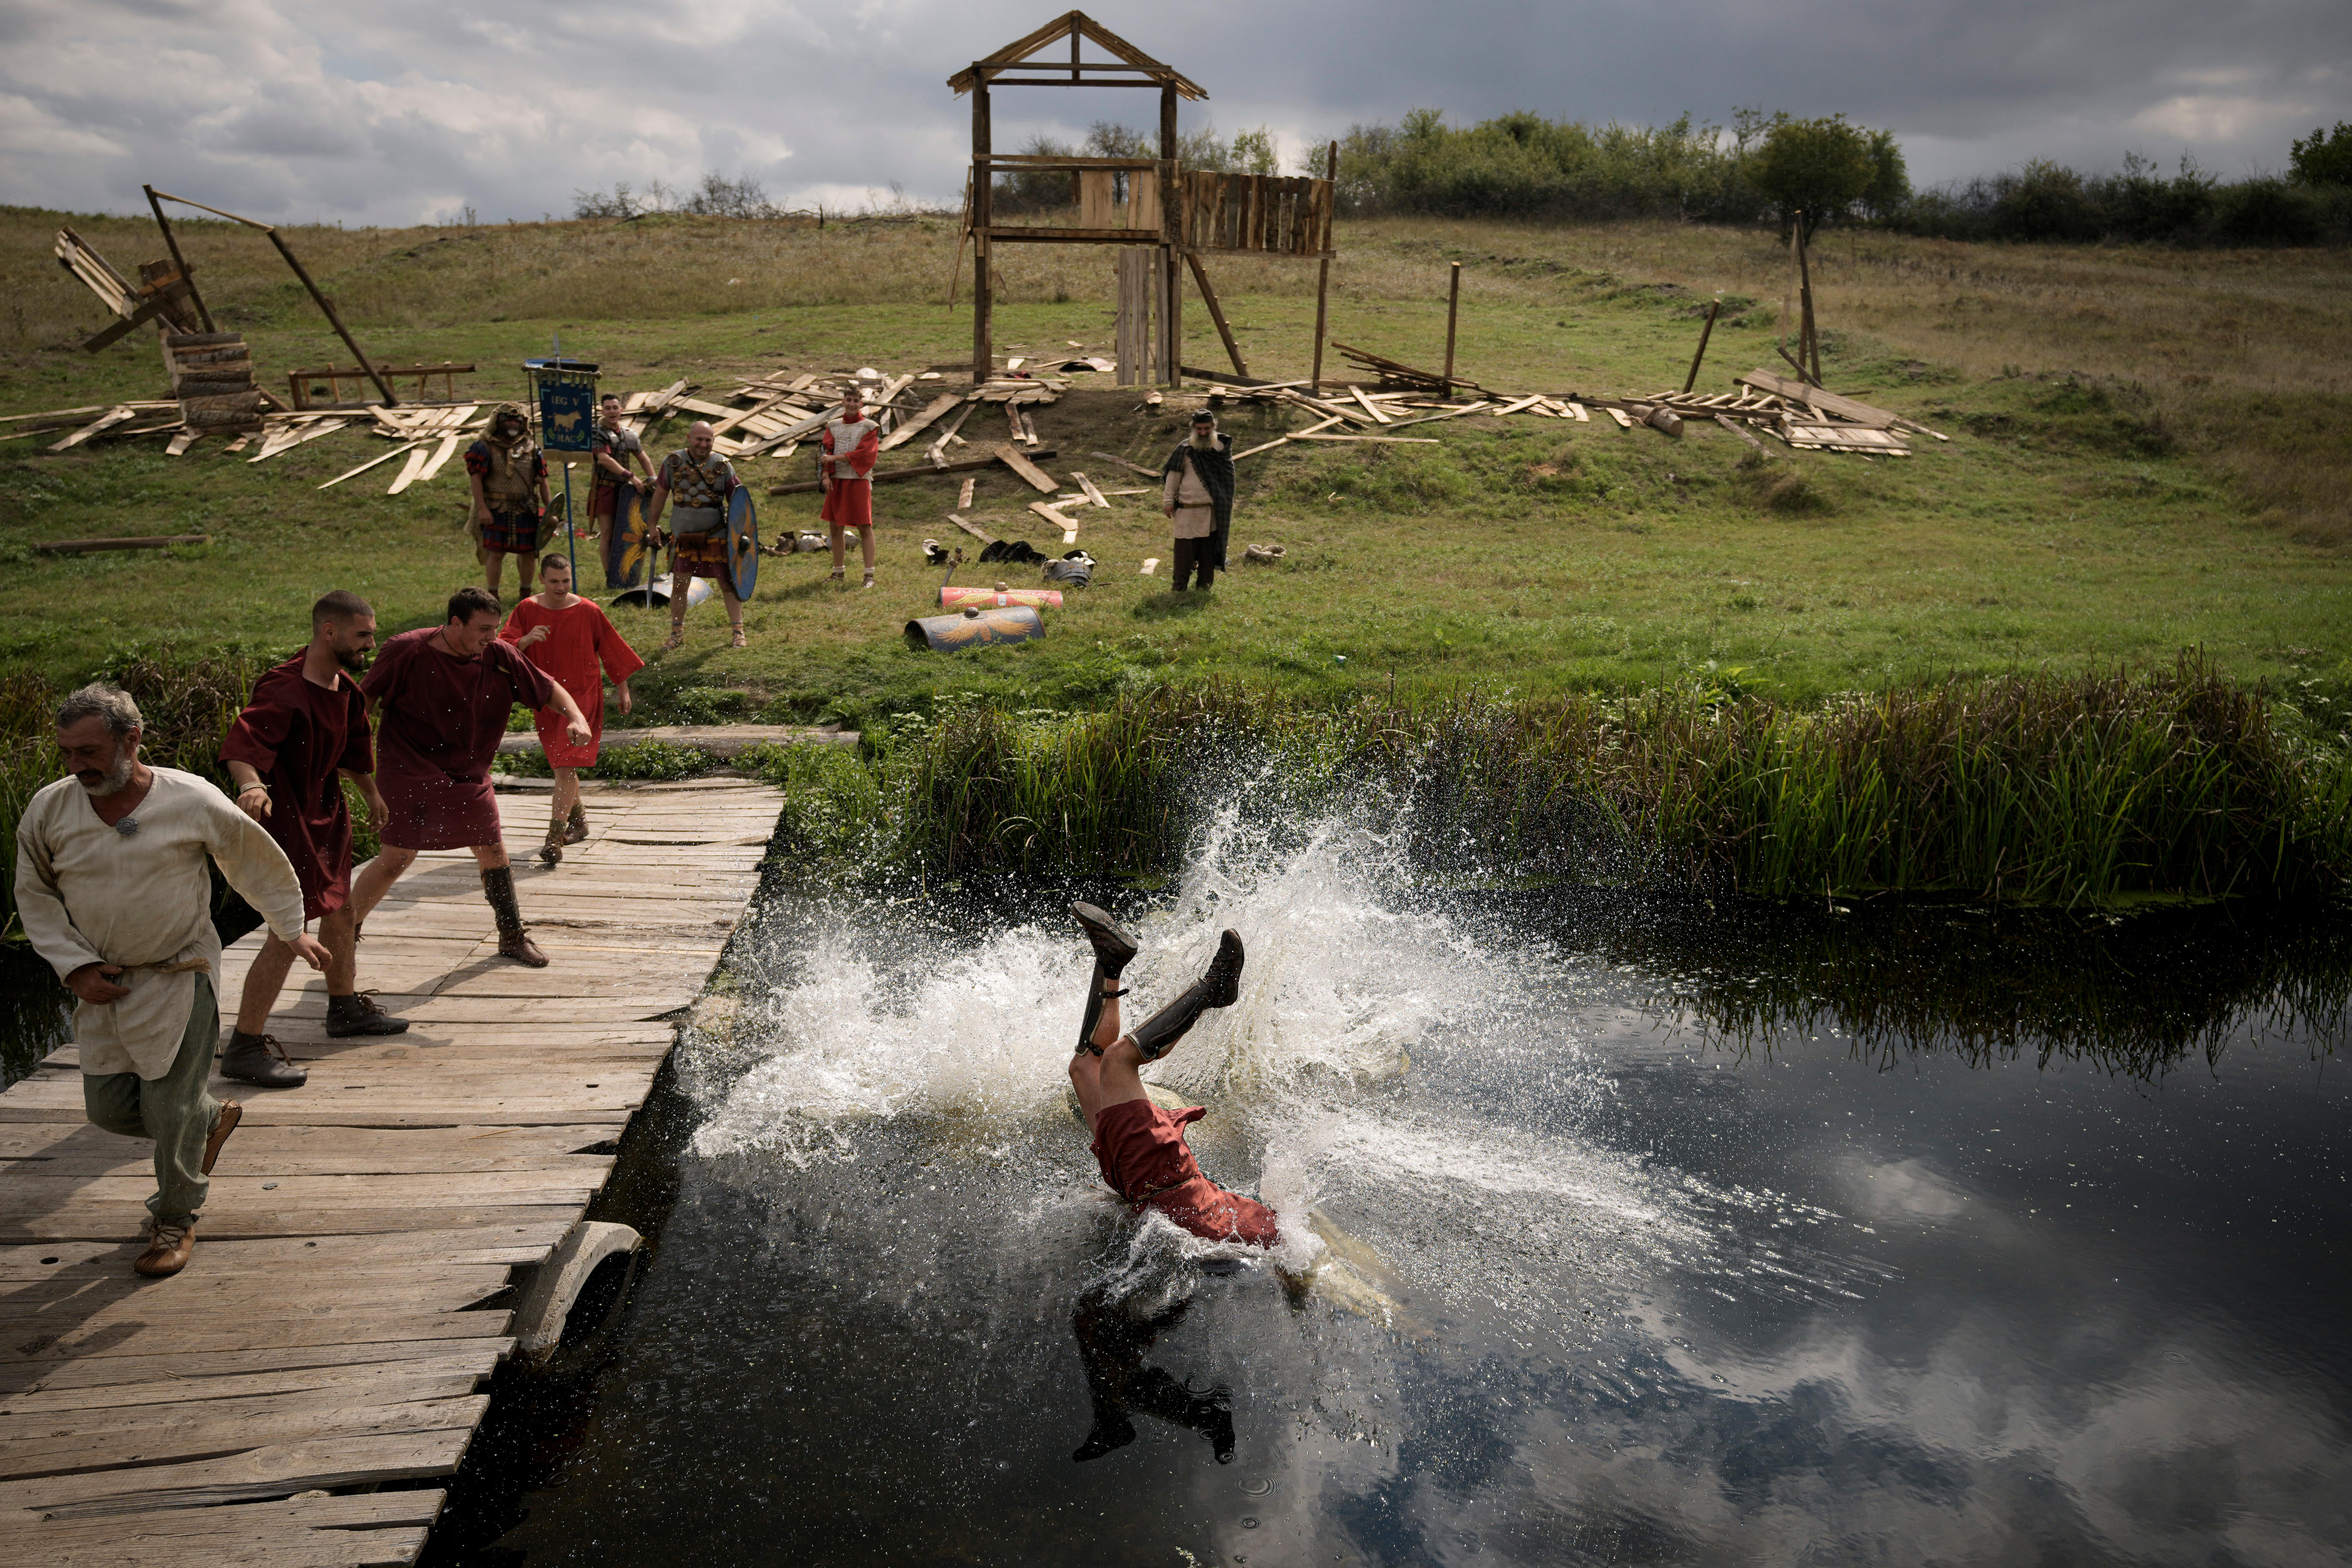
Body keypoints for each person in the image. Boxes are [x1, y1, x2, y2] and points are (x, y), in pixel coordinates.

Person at [16, 684, 327, 1277]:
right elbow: (35, 895)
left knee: (170, 1106)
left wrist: (291, 929)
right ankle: (205, 1120)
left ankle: (175, 1217)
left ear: (131, 740)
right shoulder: (50, 809)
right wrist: (74, 966)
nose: (76, 766)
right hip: (101, 980)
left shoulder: (189, 798)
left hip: (179, 973)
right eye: (67, 753)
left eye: (89, 752)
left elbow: (252, 858)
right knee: (110, 1110)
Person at [218, 589, 405, 1090]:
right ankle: (244, 1046)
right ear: (329, 631)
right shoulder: (283, 688)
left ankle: (343, 1008)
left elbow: (352, 752)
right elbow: (243, 747)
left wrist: (371, 794)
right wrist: (251, 786)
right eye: (362, 635)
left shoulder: (346, 689)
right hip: (288, 820)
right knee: (288, 929)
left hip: (328, 813)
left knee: (341, 909)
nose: (370, 644)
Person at [350, 586, 594, 968]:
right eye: (483, 628)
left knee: (492, 849)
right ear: (455, 623)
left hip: (469, 769)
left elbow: (548, 688)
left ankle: (511, 936)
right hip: (408, 765)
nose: (491, 636)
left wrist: (576, 717)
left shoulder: (498, 654)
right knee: (398, 856)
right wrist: (350, 753)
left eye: (495, 628)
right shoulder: (406, 650)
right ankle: (345, 928)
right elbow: (361, 704)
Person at [1064, 903, 1277, 1249]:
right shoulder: (1273, 1231)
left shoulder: (1266, 1234)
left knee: (1086, 1066)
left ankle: (1112, 963)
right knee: (1117, 1060)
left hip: (1148, 1183)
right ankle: (1212, 989)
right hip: (1160, 1180)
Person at [500, 553, 646, 865]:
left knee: (565, 767)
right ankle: (579, 822)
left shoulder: (589, 610)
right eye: (554, 581)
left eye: (566, 581)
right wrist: (525, 640)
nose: (561, 587)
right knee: (562, 767)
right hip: (546, 697)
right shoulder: (526, 609)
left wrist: (623, 688)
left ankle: (554, 838)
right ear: (541, 579)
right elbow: (502, 649)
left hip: (584, 698)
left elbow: (611, 647)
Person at [646, 421, 745, 649]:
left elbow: (739, 500)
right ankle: (676, 634)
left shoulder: (723, 465)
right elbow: (660, 494)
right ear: (689, 438)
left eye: (708, 440)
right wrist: (652, 526)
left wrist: (740, 532)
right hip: (684, 538)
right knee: (680, 586)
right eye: (699, 439)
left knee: (728, 584)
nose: (703, 444)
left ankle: (738, 632)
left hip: (716, 536)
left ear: (713, 441)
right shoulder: (672, 462)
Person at [465, 402, 553, 602]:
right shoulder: (484, 447)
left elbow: (542, 481)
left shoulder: (532, 449)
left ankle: (525, 594)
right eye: (508, 420)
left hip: (526, 509)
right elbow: (476, 480)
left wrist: (550, 511)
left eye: (517, 421)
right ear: (498, 422)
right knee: (495, 554)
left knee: (529, 553)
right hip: (497, 509)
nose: (513, 424)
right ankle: (493, 595)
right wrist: (482, 509)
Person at [1160, 409, 1235, 592]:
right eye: (1199, 429)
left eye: (1207, 429)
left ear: (1213, 427)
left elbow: (1227, 479)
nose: (1203, 433)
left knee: (1208, 555)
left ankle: (1204, 588)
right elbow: (1172, 479)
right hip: (1187, 511)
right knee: (1184, 555)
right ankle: (1179, 589)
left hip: (1211, 512)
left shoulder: (1221, 448)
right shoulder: (1185, 449)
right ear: (1194, 428)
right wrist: (1168, 502)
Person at [819, 384, 881, 589]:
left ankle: (869, 575)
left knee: (864, 527)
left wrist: (835, 458)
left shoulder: (870, 427)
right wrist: (825, 475)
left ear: (861, 403)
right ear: (843, 402)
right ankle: (838, 572)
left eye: (856, 401)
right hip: (836, 481)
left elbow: (865, 454)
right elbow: (826, 451)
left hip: (858, 480)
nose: (852, 404)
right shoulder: (833, 425)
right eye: (849, 400)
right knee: (835, 527)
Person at [589, 393, 653, 533]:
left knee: (626, 532)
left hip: (625, 490)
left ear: (621, 410)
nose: (612, 412)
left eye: (615, 408)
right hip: (605, 489)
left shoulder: (629, 434)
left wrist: (654, 481)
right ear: (603, 411)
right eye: (608, 408)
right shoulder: (597, 433)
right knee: (608, 532)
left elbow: (643, 459)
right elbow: (604, 459)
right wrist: (631, 477)